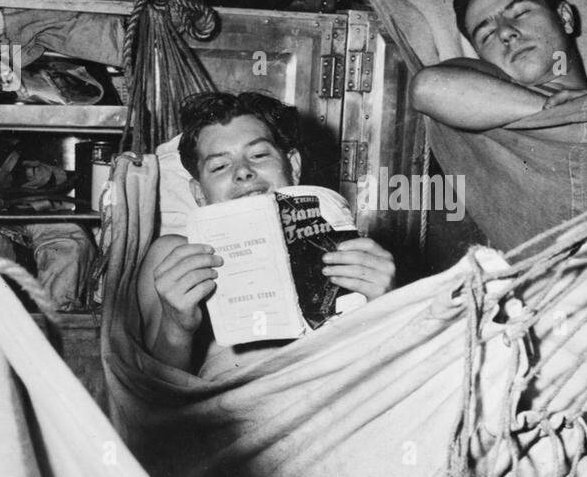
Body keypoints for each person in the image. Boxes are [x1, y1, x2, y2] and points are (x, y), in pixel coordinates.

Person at [137, 91, 396, 375]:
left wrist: (388, 304)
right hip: (232, 409)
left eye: (259, 155)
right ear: (198, 193)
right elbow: (151, 394)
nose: (243, 172)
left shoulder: (352, 252)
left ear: (293, 166)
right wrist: (176, 326)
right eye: (220, 166)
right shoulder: (174, 256)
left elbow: (385, 369)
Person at [409, 0, 587, 131]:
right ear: (482, 58)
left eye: (521, 13)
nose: (505, 33)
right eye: (487, 35)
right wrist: (562, 113)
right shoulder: (481, 97)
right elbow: (428, 86)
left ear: (565, 18)